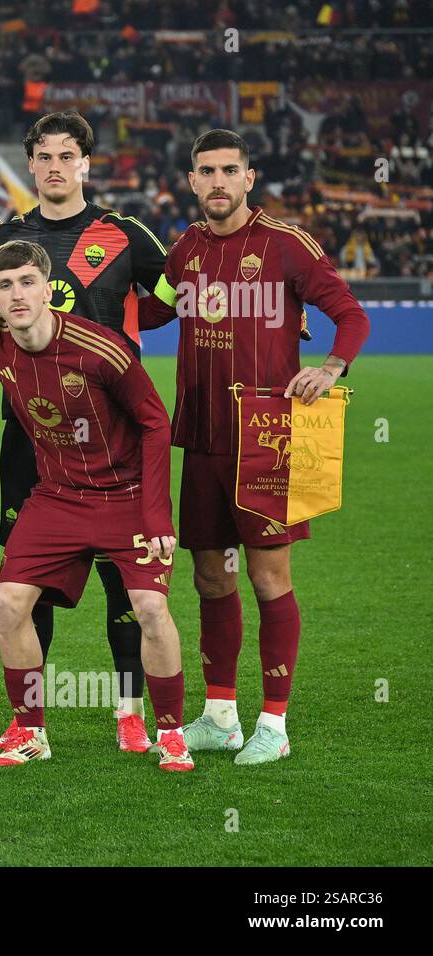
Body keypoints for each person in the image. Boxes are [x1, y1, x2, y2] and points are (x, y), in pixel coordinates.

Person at [140, 129, 370, 765]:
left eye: (228, 171)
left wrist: (330, 368)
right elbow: (154, 312)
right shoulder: (184, 248)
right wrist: (85, 294)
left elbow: (350, 314)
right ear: (191, 181)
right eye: (205, 171)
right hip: (202, 439)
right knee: (211, 578)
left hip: (268, 442)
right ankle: (220, 715)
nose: (216, 181)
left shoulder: (286, 244)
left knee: (269, 579)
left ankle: (274, 722)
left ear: (249, 178)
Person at [0, 240, 193, 771]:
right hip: (57, 496)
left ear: (48, 289)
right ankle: (31, 730)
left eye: (27, 282)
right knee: (9, 603)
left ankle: (171, 733)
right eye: (5, 285)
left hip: (127, 496)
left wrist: (157, 512)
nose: (17, 294)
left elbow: (156, 423)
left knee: (151, 609)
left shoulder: (101, 348)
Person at [0, 111, 173, 752]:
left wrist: (121, 332)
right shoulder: (7, 240)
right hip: (29, 438)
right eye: (45, 155)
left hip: (112, 440)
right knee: (26, 586)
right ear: (30, 165)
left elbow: (177, 295)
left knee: (128, 586)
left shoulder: (121, 234)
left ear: (86, 164)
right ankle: (31, 722)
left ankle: (129, 711)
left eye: (69, 155)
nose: (57, 165)